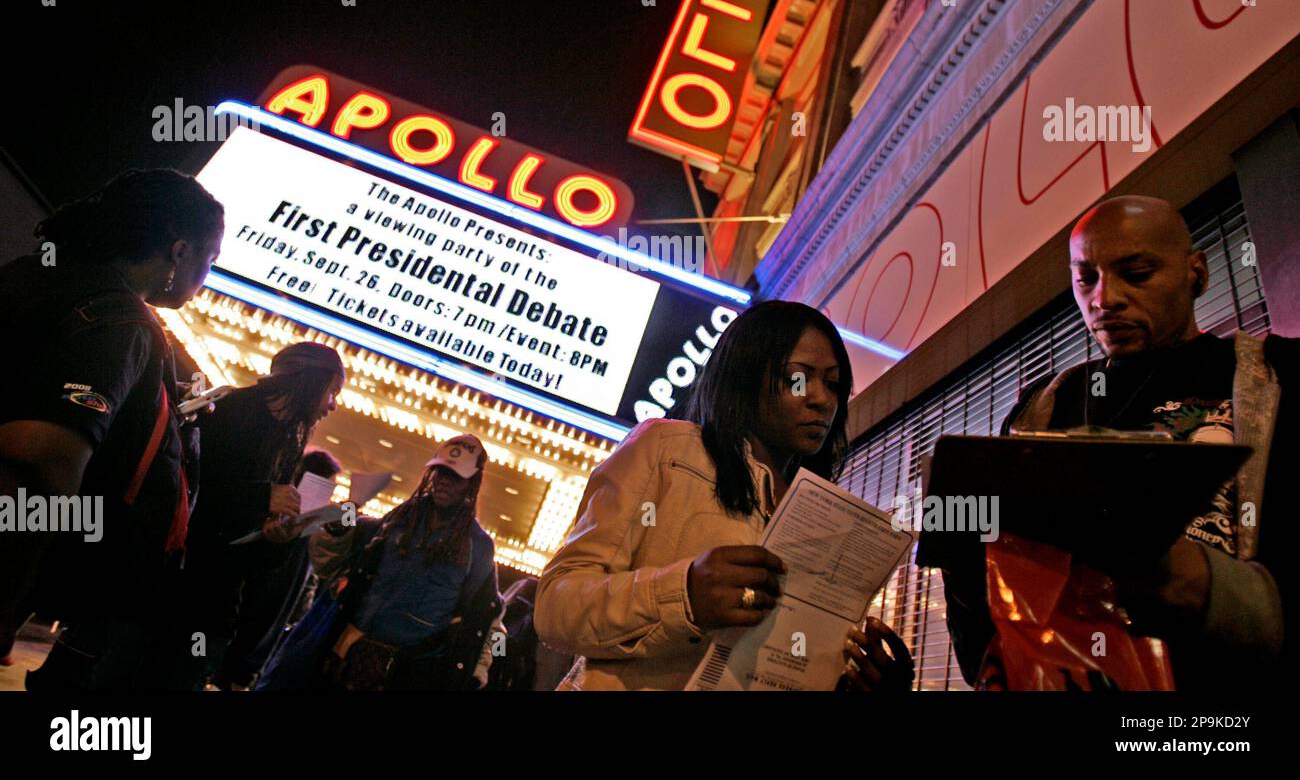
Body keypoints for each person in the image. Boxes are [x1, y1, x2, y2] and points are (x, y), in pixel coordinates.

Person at [943, 195, 1294, 690]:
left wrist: (1205, 586)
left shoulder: (1275, 378)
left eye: (1137, 272)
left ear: (1197, 273)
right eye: (1086, 278)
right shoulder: (1041, 407)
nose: (1104, 300)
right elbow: (989, 596)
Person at [534, 300, 916, 691]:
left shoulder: (825, 515)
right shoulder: (667, 449)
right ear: (746, 375)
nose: (822, 399)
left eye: (834, 384)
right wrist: (684, 595)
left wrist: (859, 682)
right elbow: (556, 606)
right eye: (798, 379)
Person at [0, 168, 224, 685]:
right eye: (210, 261)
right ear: (179, 251)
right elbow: (43, 454)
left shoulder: (31, 274)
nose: (206, 275)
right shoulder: (123, 322)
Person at [145, 342, 346, 689]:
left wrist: (277, 538)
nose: (333, 405)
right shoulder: (230, 410)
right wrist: (262, 496)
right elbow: (186, 492)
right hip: (171, 593)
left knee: (184, 675)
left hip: (215, 609)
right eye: (333, 391)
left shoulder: (287, 440)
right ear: (312, 382)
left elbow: (253, 551)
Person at [258, 434, 502, 690]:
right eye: (440, 473)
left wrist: (479, 672)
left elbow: (488, 617)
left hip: (411, 673)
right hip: (348, 656)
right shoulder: (399, 519)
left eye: (455, 478)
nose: (444, 482)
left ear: (471, 484)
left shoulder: (479, 547)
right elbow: (326, 564)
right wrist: (338, 530)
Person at [213, 447, 343, 690]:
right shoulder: (276, 524)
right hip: (234, 647)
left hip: (248, 653)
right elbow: (262, 596)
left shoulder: (306, 533)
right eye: (327, 487)